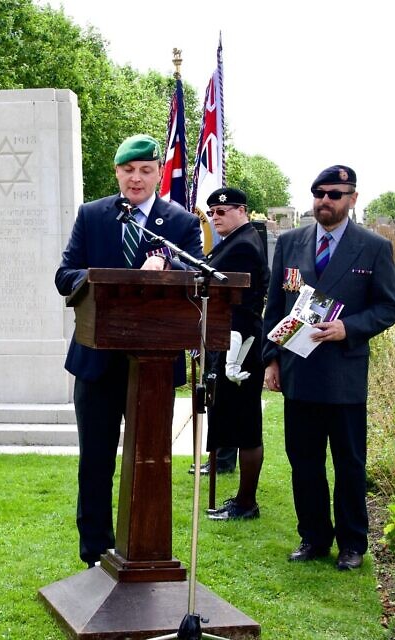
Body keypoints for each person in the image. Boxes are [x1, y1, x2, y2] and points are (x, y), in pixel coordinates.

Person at [55, 134, 203, 567]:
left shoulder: (180, 222)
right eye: (128, 170)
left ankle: (144, 552)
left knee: (149, 461)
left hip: (154, 365)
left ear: (158, 173)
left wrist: (168, 264)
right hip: (96, 361)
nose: (135, 178)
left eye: (145, 170)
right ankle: (94, 553)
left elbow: (198, 275)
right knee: (95, 462)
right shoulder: (92, 215)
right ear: (117, 173)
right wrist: (99, 279)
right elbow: (64, 275)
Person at [263, 165, 395, 570]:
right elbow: (275, 306)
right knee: (304, 461)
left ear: (352, 198)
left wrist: (348, 328)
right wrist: (271, 360)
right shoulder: (291, 242)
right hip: (299, 371)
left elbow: (388, 306)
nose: (325, 200)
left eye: (334, 194)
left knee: (349, 463)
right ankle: (314, 537)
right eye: (319, 192)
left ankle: (353, 543)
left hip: (343, 374)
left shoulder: (372, 247)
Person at [199, 187, 269, 521]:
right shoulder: (235, 241)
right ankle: (242, 500)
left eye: (222, 212)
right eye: (212, 212)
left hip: (240, 348)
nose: (215, 217)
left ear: (242, 211)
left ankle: (246, 503)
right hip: (228, 341)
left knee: (246, 426)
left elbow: (234, 299)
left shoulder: (243, 245)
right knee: (235, 421)